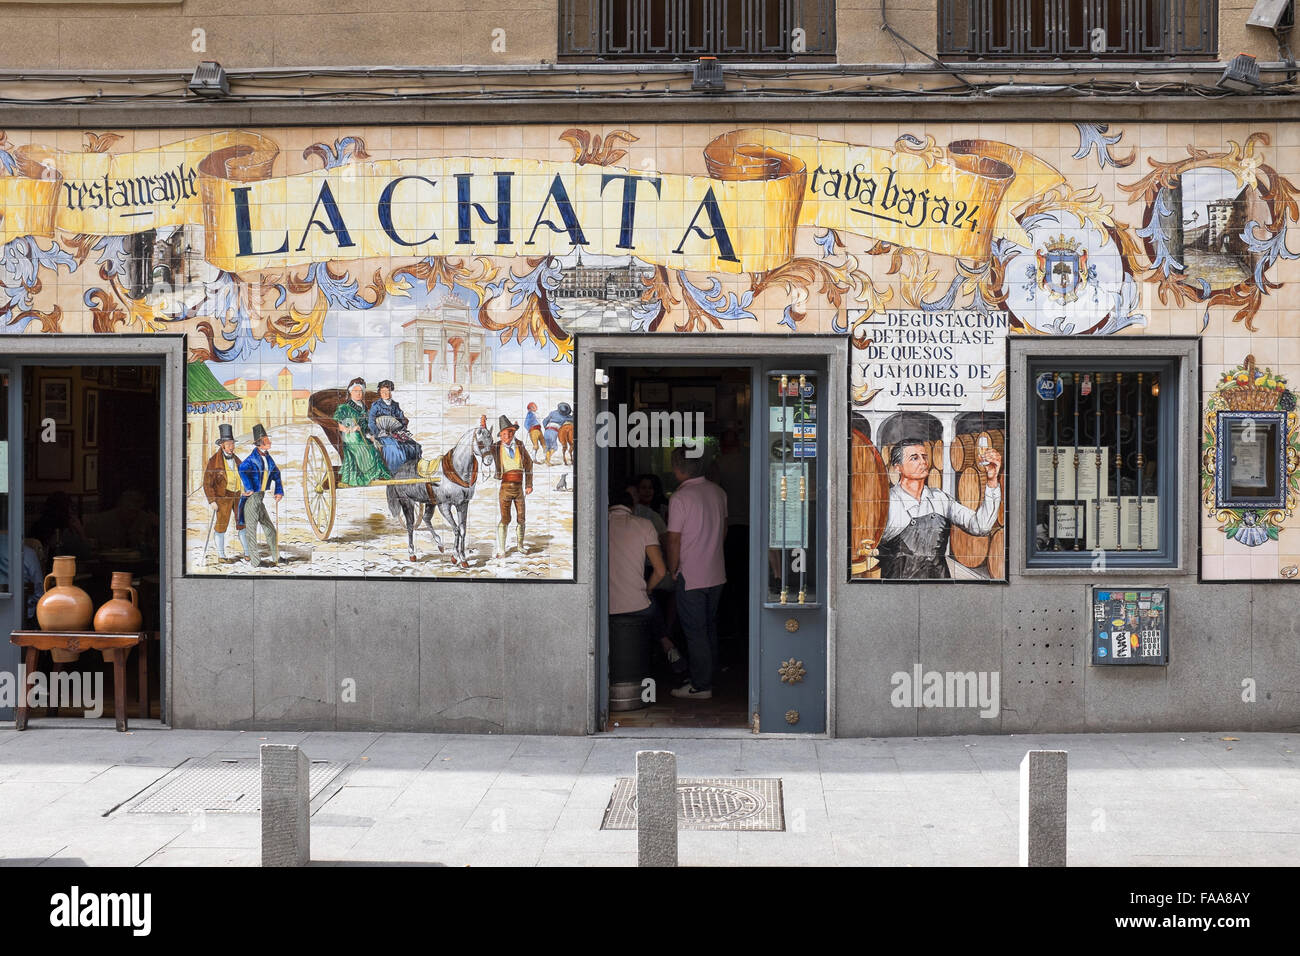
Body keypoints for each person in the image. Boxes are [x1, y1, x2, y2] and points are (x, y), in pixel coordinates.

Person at [878, 436, 1002, 579]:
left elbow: (981, 527)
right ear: (897, 467)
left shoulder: (940, 499)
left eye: (924, 456)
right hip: (898, 587)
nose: (923, 462)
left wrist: (992, 480)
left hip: (939, 583)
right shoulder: (886, 502)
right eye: (914, 458)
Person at [665, 446, 728, 700]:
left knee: (695, 632)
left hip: (691, 574)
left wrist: (672, 569)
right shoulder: (718, 492)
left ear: (678, 468)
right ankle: (708, 674)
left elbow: (674, 540)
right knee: (709, 626)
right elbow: (724, 530)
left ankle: (701, 686)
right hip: (716, 572)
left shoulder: (680, 498)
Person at [608, 486, 668, 649]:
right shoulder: (644, 524)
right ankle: (667, 647)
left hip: (604, 606)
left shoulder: (597, 525)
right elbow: (661, 571)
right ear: (632, 507)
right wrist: (647, 590)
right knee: (651, 604)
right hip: (638, 606)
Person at [238, 423, 284, 567]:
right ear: (260, 443)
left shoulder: (268, 458)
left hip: (260, 498)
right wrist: (249, 487)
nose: (269, 442)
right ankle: (256, 562)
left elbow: (276, 473)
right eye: (266, 440)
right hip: (252, 500)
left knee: (270, 529)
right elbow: (242, 469)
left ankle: (276, 557)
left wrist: (278, 491)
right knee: (251, 531)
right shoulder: (251, 459)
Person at [490, 414, 533, 558]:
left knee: (521, 517)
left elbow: (529, 463)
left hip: (519, 488)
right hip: (505, 488)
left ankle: (520, 546)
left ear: (513, 433)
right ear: (500, 435)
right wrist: (483, 427)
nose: (506, 436)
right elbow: (483, 446)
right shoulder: (496, 447)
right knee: (505, 518)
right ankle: (501, 550)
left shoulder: (520, 445)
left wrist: (528, 484)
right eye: (503, 434)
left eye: (509, 433)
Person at [334, 377, 391, 486]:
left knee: (374, 448)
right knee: (365, 450)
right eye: (356, 391)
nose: (358, 394)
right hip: (351, 437)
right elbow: (339, 425)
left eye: (361, 391)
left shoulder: (364, 409)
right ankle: (367, 476)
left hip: (362, 436)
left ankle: (377, 474)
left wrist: (371, 436)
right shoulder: (344, 407)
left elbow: (366, 427)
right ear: (350, 392)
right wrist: (350, 429)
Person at [202, 423, 244, 563]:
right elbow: (207, 483)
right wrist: (212, 500)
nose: (232, 447)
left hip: (237, 495)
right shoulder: (214, 462)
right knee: (221, 525)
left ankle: (247, 552)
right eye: (228, 444)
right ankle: (221, 555)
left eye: (232, 443)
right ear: (222, 445)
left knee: (242, 523)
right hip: (223, 496)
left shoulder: (237, 459)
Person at [368, 379, 422, 473]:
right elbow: (371, 422)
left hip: (395, 434)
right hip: (382, 435)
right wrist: (378, 433)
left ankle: (414, 470)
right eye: (383, 391)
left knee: (415, 446)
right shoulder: (376, 406)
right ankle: (397, 472)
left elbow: (401, 420)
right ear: (380, 392)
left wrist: (402, 429)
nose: (386, 393)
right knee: (395, 449)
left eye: (388, 391)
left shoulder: (395, 405)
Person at [541, 401, 573, 465]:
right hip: (554, 431)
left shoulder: (552, 413)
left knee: (547, 446)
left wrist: (546, 428)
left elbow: (544, 421)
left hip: (547, 431)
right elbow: (573, 419)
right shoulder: (566, 417)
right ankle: (547, 460)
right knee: (554, 447)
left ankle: (546, 459)